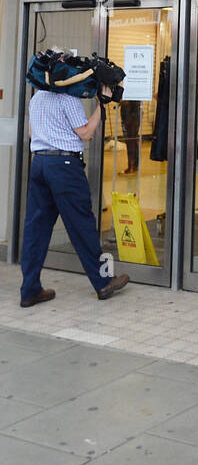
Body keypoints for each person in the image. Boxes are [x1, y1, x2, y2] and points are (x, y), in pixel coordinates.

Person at [20, 87, 130, 307]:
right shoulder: (68, 99)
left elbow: (33, 133)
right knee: (82, 225)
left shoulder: (37, 97)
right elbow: (86, 133)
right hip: (65, 167)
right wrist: (102, 105)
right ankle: (103, 282)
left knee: (36, 229)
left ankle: (30, 290)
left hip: (40, 162)